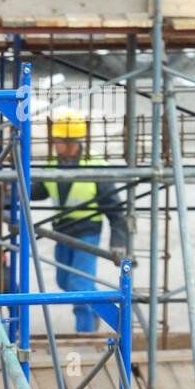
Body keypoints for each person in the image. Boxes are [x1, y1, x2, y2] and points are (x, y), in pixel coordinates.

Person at [32, 109, 127, 334]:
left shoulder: (95, 165)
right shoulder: (53, 164)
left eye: (58, 141)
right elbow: (40, 191)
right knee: (65, 281)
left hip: (87, 232)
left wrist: (118, 242)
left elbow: (115, 210)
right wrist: (11, 191)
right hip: (62, 233)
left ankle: (85, 334)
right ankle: (99, 309)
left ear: (71, 142)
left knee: (79, 285)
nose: (54, 144)